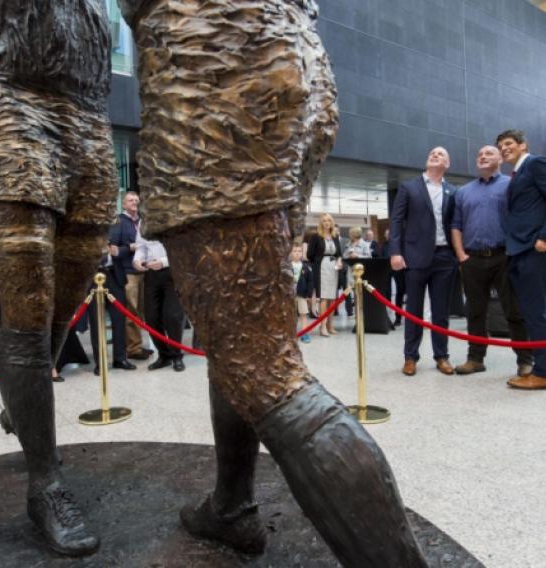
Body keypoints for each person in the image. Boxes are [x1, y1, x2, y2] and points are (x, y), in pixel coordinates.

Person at [120, 1, 428, 565]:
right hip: (291, 53)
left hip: (210, 59)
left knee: (267, 373)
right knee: (239, 341)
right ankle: (232, 505)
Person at [0, 0, 118, 555]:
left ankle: (21, 402)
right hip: (13, 103)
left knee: (64, 300)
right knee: (28, 313)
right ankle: (45, 484)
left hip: (91, 119)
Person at [496, 129, 546, 390]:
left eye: (509, 143)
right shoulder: (516, 174)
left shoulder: (537, 163)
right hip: (520, 250)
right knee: (532, 312)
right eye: (501, 146)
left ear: (523, 145)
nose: (504, 148)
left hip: (536, 248)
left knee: (536, 313)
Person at [450, 145, 532, 377]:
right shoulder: (463, 191)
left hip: (504, 257)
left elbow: (523, 218)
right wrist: (461, 255)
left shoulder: (511, 185)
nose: (483, 156)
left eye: (489, 153)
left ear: (500, 160)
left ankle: (525, 361)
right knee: (475, 312)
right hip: (472, 259)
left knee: (514, 311)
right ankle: (475, 359)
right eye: (479, 154)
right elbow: (456, 225)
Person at [388, 146, 458, 376]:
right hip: (415, 256)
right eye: (432, 153)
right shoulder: (409, 187)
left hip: (444, 257)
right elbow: (396, 221)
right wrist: (396, 252)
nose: (435, 155)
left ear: (447, 164)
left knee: (441, 311)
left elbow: (456, 224)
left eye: (441, 154)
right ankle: (410, 357)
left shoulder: (452, 191)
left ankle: (442, 356)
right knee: (414, 311)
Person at [132, 233, 185, 372]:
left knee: (173, 316)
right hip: (151, 274)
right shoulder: (143, 220)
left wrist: (163, 262)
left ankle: (177, 356)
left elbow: (183, 248)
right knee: (151, 318)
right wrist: (137, 259)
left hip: (173, 271)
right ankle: (164, 355)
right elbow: (141, 246)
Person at [89, 228, 136, 375]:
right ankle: (100, 362)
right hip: (93, 277)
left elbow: (126, 247)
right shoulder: (84, 227)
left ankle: (120, 359)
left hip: (114, 276)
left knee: (119, 320)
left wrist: (118, 251)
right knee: (97, 322)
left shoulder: (116, 226)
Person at [115, 191, 153, 361]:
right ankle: (134, 348)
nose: (134, 202)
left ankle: (142, 344)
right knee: (132, 311)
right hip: (129, 273)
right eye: (130, 200)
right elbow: (113, 250)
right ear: (123, 204)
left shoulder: (144, 221)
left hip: (148, 271)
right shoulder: (118, 222)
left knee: (145, 311)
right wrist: (131, 247)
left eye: (137, 199)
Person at [306, 213, 343, 336]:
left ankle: (330, 325)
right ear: (321, 223)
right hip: (322, 267)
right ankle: (322, 327)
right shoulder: (316, 236)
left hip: (334, 268)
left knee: (332, 298)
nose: (326, 223)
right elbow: (310, 255)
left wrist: (339, 260)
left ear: (332, 222)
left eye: (328, 220)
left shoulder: (335, 236)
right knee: (324, 298)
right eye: (324, 221)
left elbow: (339, 253)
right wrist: (317, 262)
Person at [291, 243, 313, 344]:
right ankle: (291, 333)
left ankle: (304, 333)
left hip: (302, 294)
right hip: (290, 295)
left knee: (303, 314)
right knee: (291, 315)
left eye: (299, 251)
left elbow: (310, 281)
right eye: (295, 251)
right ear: (290, 253)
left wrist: (309, 294)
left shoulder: (306, 266)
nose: (297, 253)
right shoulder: (287, 266)